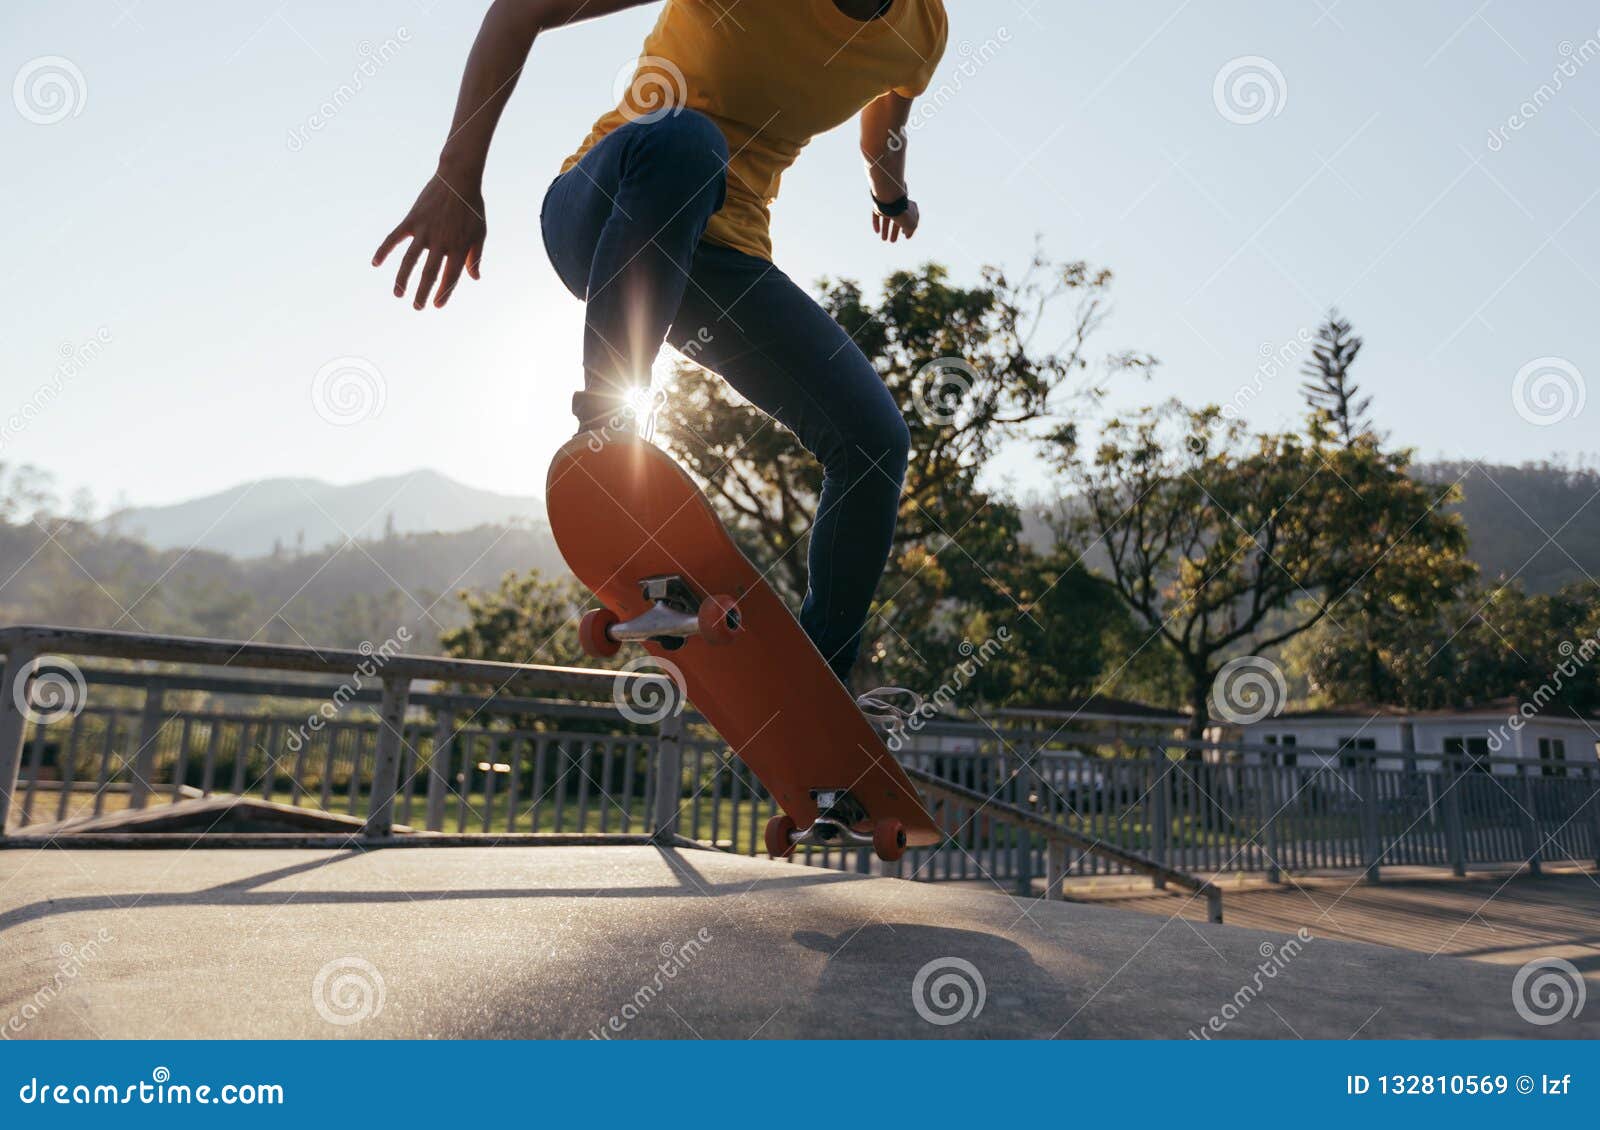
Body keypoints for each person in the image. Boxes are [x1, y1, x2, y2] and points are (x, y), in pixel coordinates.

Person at [373, 0, 947, 695]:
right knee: (685, 140)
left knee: (873, 438)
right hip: (610, 202)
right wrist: (457, 177)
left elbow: (882, 133)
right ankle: (609, 437)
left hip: (724, 256)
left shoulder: (920, 31)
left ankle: (816, 688)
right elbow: (519, 11)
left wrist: (892, 200)